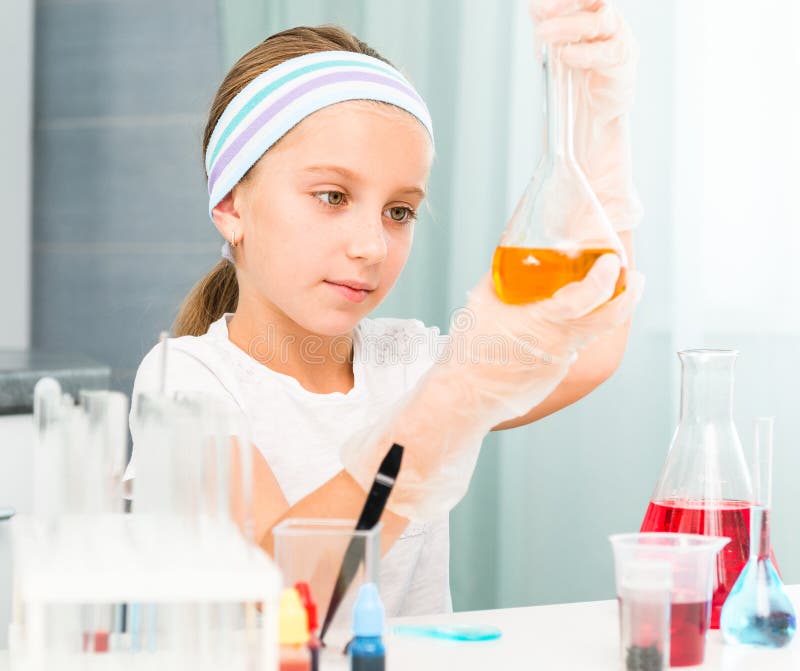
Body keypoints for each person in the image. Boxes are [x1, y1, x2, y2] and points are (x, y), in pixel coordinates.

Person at [127, 0, 644, 617]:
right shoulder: (184, 386)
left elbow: (593, 348)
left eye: (399, 212)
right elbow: (283, 599)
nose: (372, 246)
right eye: (332, 196)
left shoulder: (406, 362)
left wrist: (597, 126)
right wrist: (444, 406)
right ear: (232, 206)